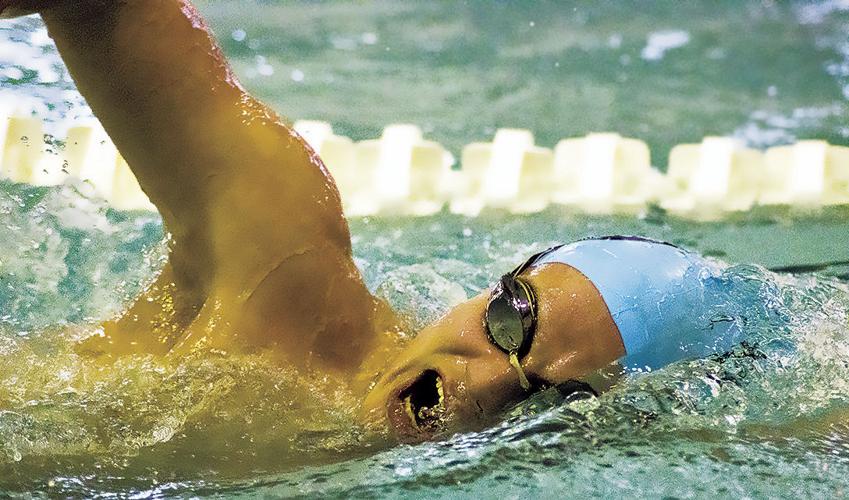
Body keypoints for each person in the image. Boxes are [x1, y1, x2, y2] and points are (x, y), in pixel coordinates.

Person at [0, 0, 777, 445]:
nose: (487, 384)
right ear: (486, 291)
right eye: (511, 323)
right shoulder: (288, 273)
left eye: (555, 400)